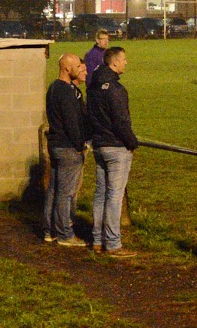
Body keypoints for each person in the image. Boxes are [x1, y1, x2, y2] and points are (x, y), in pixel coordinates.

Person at [88, 46, 138, 257]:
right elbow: (121, 122)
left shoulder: (93, 87)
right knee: (114, 196)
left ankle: (97, 239)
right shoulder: (116, 90)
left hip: (99, 145)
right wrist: (132, 142)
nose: (126, 62)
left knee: (101, 194)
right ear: (114, 62)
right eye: (124, 59)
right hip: (116, 147)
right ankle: (113, 243)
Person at [44, 53, 90, 248]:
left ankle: (50, 231)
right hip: (67, 147)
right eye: (77, 66)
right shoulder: (66, 92)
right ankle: (65, 234)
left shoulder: (53, 88)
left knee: (54, 190)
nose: (80, 69)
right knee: (66, 193)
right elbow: (72, 122)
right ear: (67, 68)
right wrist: (80, 145)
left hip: (55, 145)